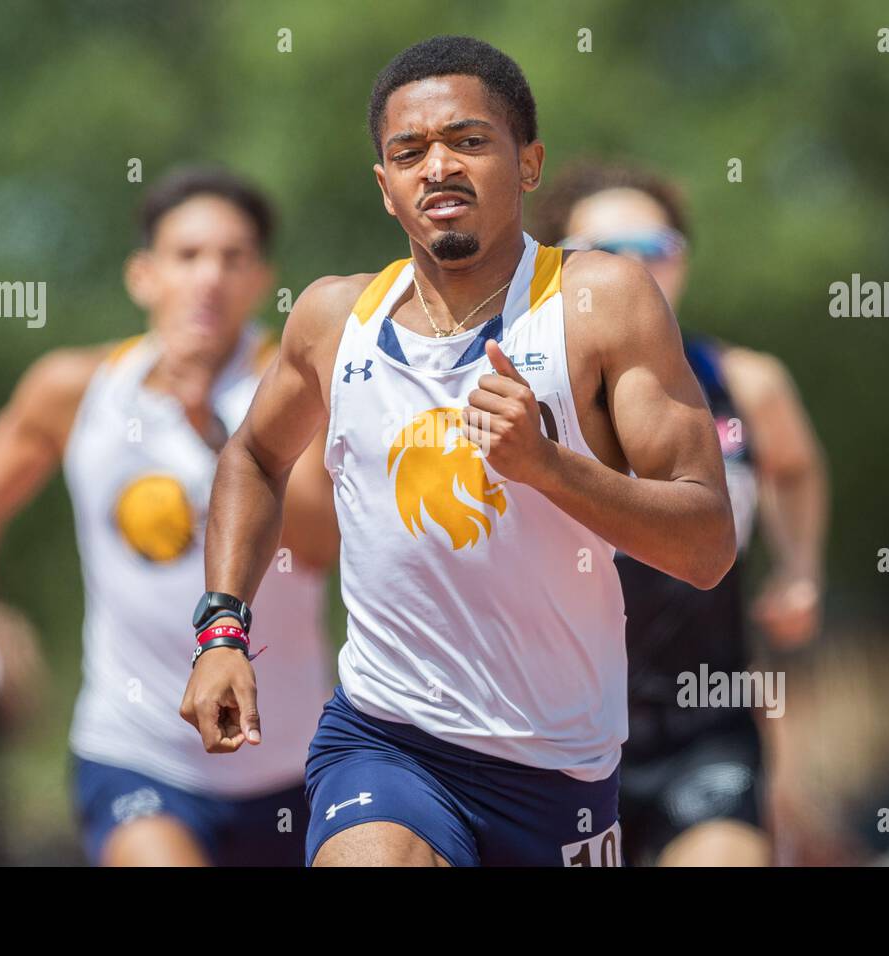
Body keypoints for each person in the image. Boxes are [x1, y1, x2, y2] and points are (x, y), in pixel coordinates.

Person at [179, 36, 735, 867]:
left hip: (560, 771)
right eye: (410, 152)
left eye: (469, 142)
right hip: (387, 739)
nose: (438, 166)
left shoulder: (601, 305)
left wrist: (549, 467)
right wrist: (223, 627)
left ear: (529, 163)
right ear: (386, 187)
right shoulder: (334, 321)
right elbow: (253, 459)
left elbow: (706, 545)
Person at [0, 168, 339, 866]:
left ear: (261, 277)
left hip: (291, 763)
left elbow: (318, 543)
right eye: (187, 256)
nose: (209, 277)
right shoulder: (76, 389)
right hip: (136, 752)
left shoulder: (297, 388)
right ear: (143, 275)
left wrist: (215, 430)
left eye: (232, 258)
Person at [531, 161, 830, 865]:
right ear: (556, 271)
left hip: (703, 730)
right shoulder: (517, 391)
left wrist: (798, 567)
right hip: (546, 738)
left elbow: (793, 468)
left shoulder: (746, 383)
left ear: (684, 260)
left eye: (655, 249)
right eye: (604, 254)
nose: (635, 271)